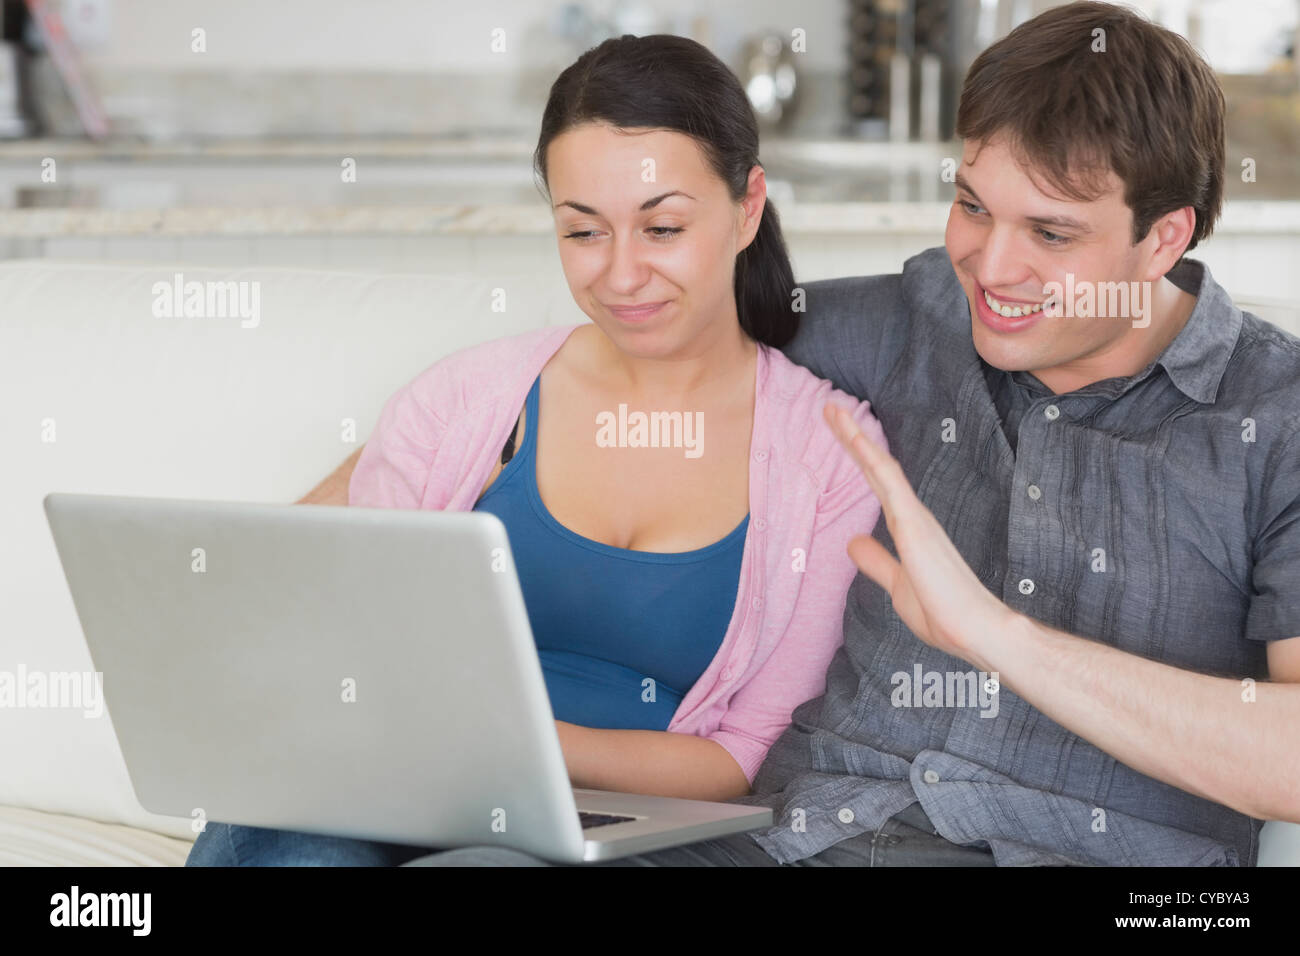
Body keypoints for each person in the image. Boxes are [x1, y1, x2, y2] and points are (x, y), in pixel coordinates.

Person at [295, 0, 1300, 868]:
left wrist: (997, 634)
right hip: (804, 840)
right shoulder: (908, 322)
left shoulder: (1275, 417)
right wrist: (394, 473)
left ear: (1163, 237)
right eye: (968, 206)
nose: (990, 267)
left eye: (1049, 233)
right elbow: (660, 329)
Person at [186, 33, 888, 866]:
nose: (621, 276)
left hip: (592, 831)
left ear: (746, 207)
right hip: (388, 781)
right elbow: (340, 643)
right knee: (290, 834)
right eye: (583, 233)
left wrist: (512, 740)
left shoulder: (830, 456)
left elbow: (740, 758)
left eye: (661, 227)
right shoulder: (466, 407)